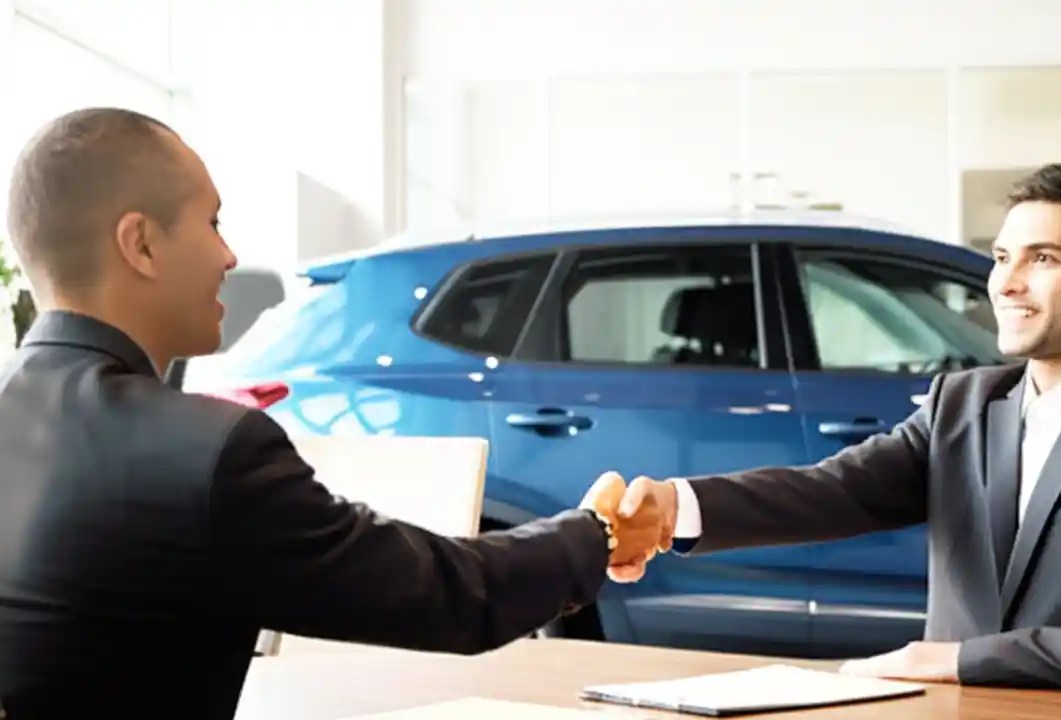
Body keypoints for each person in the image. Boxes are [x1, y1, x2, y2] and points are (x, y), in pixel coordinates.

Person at [0, 107, 663, 718]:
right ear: (140, 244)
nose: (229, 256)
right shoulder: (203, 455)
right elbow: (453, 595)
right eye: (213, 222)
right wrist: (600, 535)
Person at [611, 163, 1061, 699]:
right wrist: (674, 507)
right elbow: (834, 490)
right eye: (1002, 258)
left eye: (1042, 259)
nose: (1007, 284)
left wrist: (961, 660)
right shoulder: (962, 404)